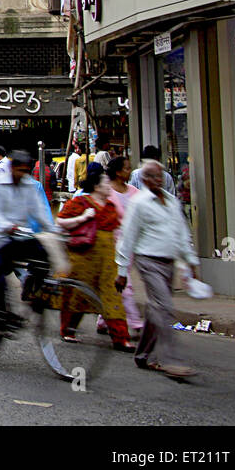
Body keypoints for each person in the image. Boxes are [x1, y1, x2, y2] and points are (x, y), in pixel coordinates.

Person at [115, 159, 201, 378]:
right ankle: (169, 360)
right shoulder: (140, 203)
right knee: (164, 307)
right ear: (144, 179)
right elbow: (128, 237)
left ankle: (142, 354)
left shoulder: (171, 201)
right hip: (148, 261)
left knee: (156, 310)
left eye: (159, 176)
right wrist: (122, 271)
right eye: (152, 176)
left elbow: (181, 233)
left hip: (168, 262)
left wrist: (191, 262)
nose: (156, 180)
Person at [0, 151, 61, 335]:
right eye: (19, 170)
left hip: (19, 239)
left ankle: (34, 293)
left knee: (44, 254)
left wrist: (55, 231)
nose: (22, 174)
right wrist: (7, 226)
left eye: (26, 171)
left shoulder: (30, 187)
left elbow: (40, 211)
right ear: (12, 168)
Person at [55, 166, 133, 350]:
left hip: (107, 261)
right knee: (77, 296)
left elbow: (116, 233)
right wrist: (82, 218)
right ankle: (68, 330)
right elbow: (61, 221)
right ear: (97, 187)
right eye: (106, 183)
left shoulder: (112, 207)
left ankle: (120, 338)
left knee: (112, 297)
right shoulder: (81, 203)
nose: (109, 186)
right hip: (82, 260)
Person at [98, 155, 144, 339]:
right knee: (125, 284)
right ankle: (136, 323)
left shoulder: (134, 193)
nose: (129, 172)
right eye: (126, 168)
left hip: (130, 246)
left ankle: (103, 320)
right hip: (111, 244)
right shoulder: (106, 191)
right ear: (117, 172)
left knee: (116, 285)